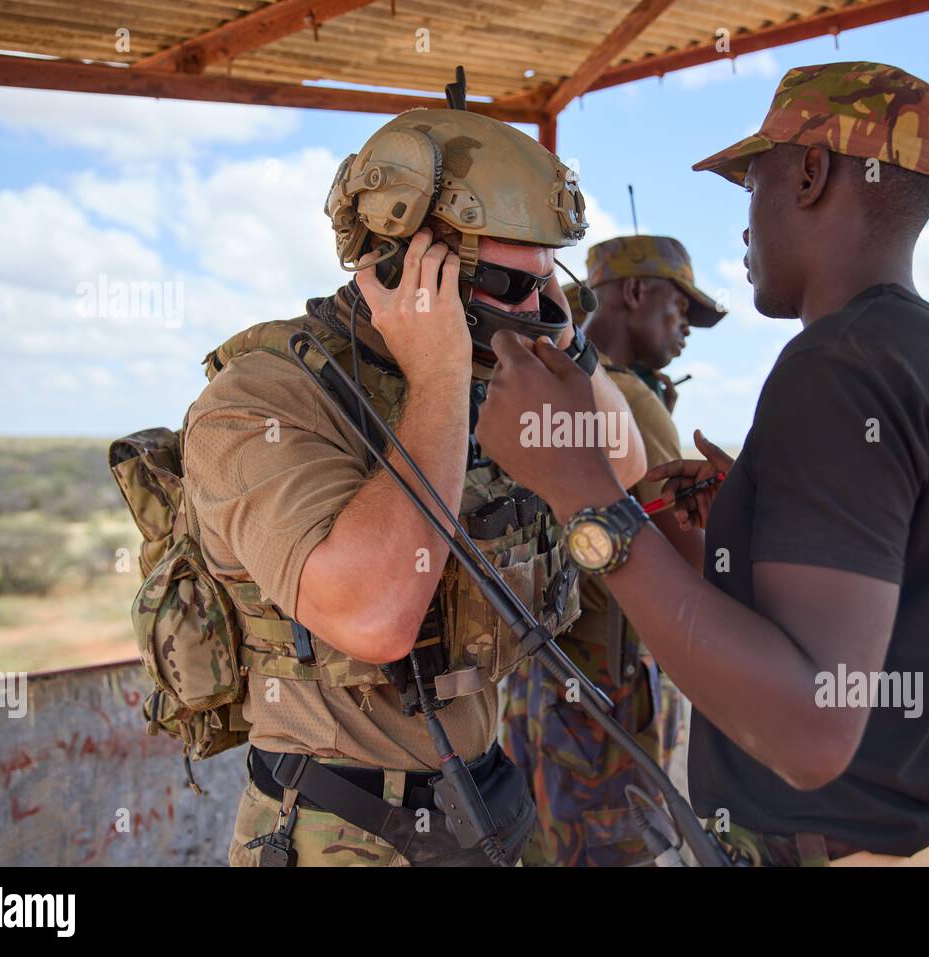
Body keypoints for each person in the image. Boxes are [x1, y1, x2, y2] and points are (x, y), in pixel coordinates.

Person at [474, 61, 929, 867]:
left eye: (750, 184)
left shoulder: (835, 367)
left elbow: (810, 732)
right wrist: (759, 535)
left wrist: (585, 496)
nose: (745, 224)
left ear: (810, 173)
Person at [179, 103, 645, 866]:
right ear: (405, 265)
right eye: (506, 282)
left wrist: (569, 346)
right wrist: (439, 374)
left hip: (483, 800)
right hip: (344, 825)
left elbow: (618, 477)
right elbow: (376, 616)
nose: (530, 310)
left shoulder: (490, 374)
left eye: (546, 284)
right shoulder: (261, 401)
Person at [500, 235, 723, 865]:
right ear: (633, 292)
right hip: (605, 693)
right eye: (680, 310)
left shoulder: (542, 384)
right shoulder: (629, 400)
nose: (685, 331)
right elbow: (694, 562)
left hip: (541, 679)